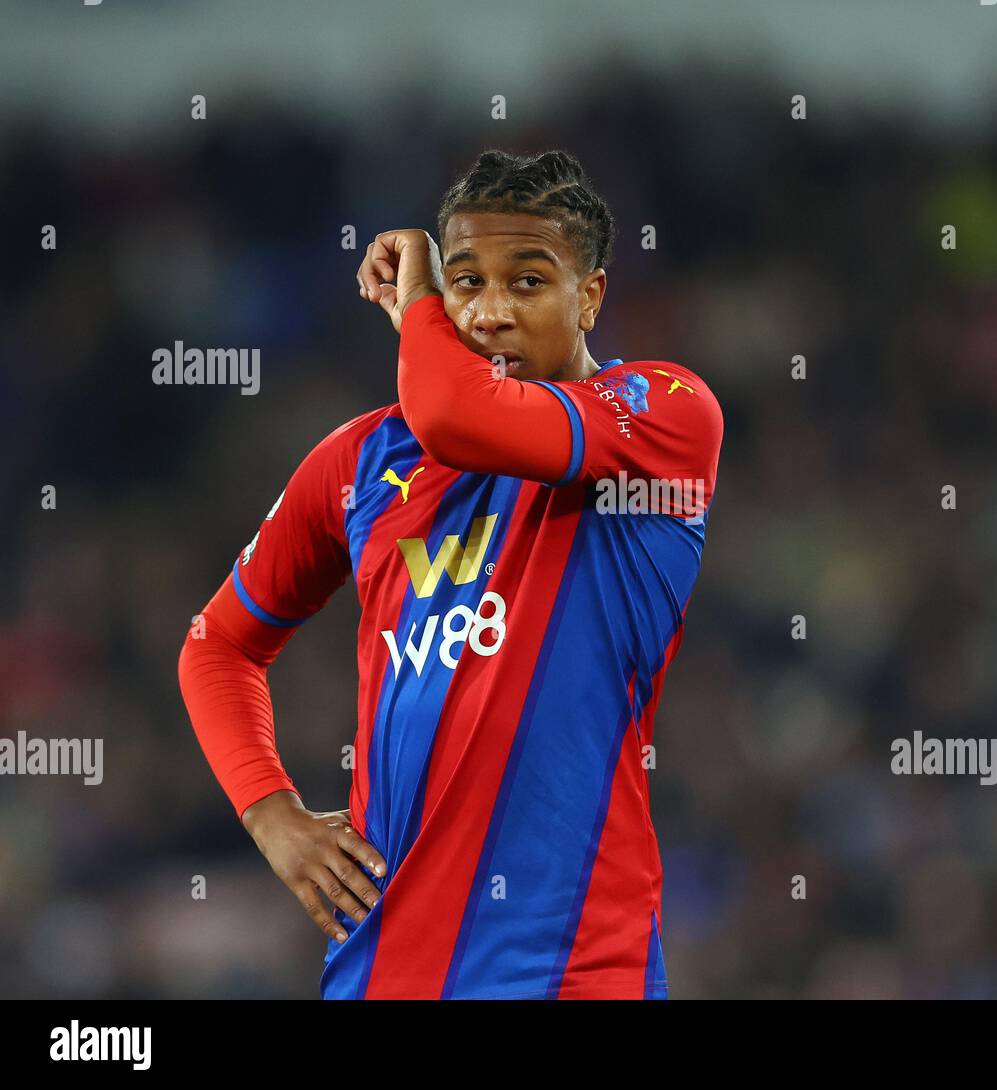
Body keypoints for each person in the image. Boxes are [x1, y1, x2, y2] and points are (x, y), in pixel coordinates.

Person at [177, 149, 724, 999]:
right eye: (467, 282)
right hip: (382, 969)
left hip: (574, 969)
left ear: (591, 296)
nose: (491, 313)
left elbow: (453, 412)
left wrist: (423, 295)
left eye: (530, 282)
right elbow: (217, 647)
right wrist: (270, 811)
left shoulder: (661, 414)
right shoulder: (361, 461)